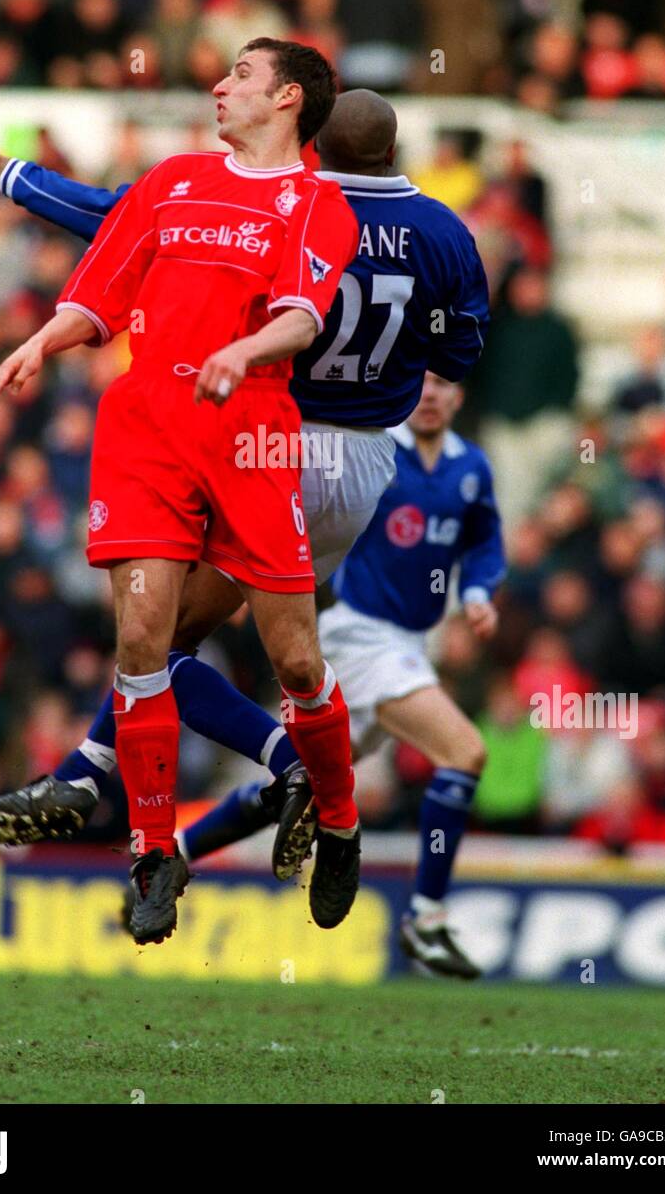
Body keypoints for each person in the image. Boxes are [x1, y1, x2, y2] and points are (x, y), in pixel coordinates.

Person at [0, 82, 491, 915]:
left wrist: (6, 173)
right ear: (390, 150)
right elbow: (464, 346)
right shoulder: (446, 231)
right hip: (363, 462)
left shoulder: (290, 198)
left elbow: (119, 218)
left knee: (158, 643)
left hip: (264, 436)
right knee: (202, 642)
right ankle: (110, 776)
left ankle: (134, 777)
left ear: (316, 141)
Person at [0, 39, 363, 944]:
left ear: (289, 97)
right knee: (142, 635)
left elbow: (302, 316)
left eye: (242, 76)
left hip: (253, 434)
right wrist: (40, 343)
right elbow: (99, 294)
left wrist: (244, 351)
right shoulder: (171, 179)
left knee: (296, 660)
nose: (219, 85)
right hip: (146, 430)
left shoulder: (318, 204)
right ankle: (150, 852)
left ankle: (338, 821)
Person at [179, 372, 505, 979]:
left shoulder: (471, 468)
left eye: (444, 383)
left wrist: (481, 590)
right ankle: (426, 919)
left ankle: (181, 851)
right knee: (464, 752)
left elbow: (485, 541)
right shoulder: (374, 448)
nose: (431, 393)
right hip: (362, 637)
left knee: (302, 782)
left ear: (461, 395)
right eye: (423, 382)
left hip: (411, 647)